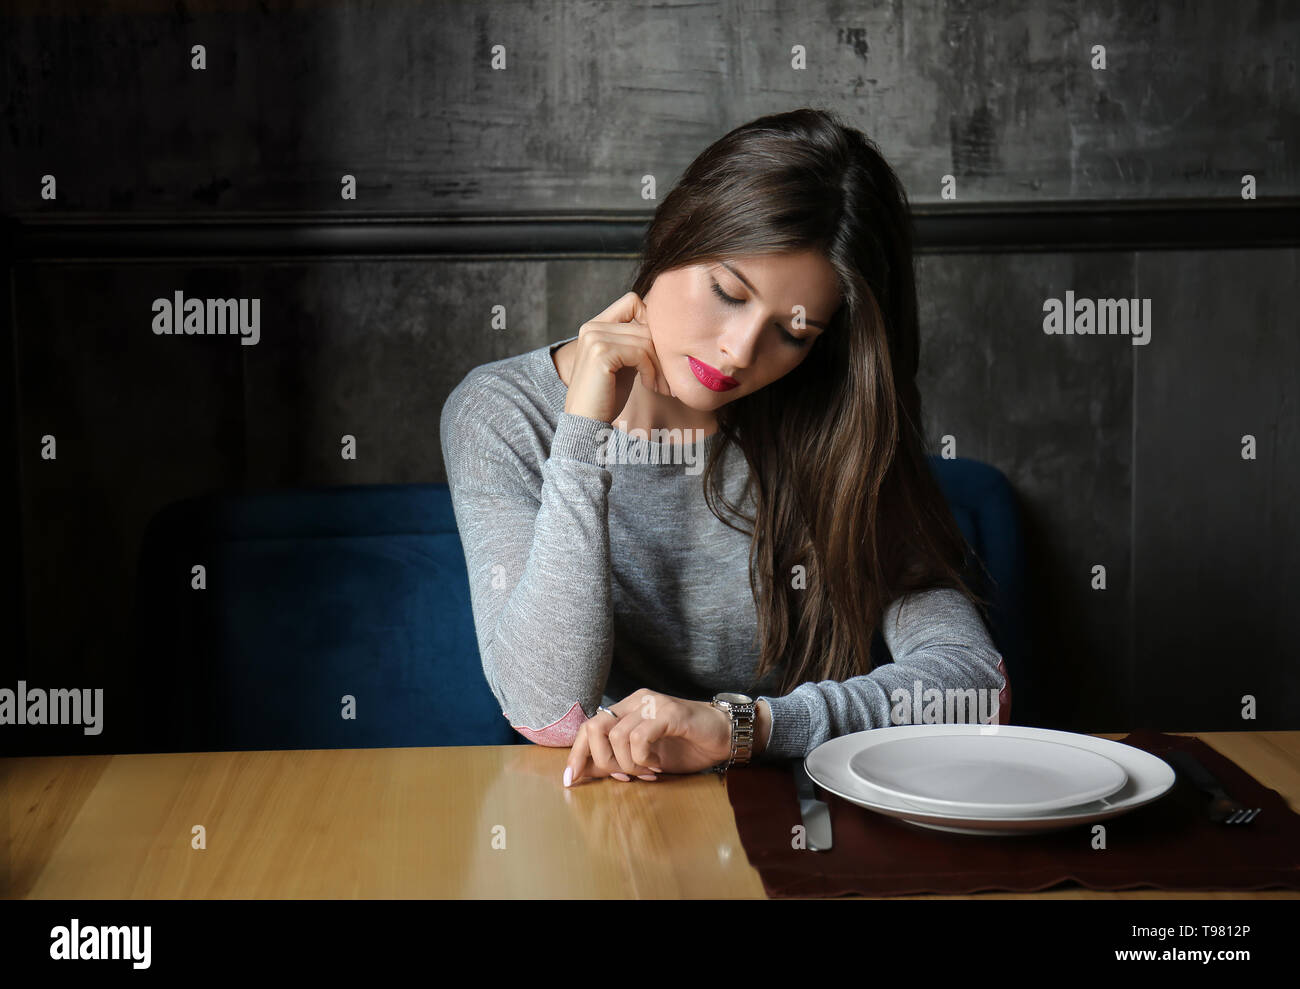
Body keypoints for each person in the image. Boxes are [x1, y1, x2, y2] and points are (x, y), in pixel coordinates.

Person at [439, 107, 1011, 788]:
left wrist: (747, 728)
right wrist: (584, 432)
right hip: (607, 812)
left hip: (803, 810)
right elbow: (549, 712)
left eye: (793, 333)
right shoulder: (503, 411)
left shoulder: (833, 423)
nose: (740, 351)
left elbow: (975, 684)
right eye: (727, 292)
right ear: (679, 232)